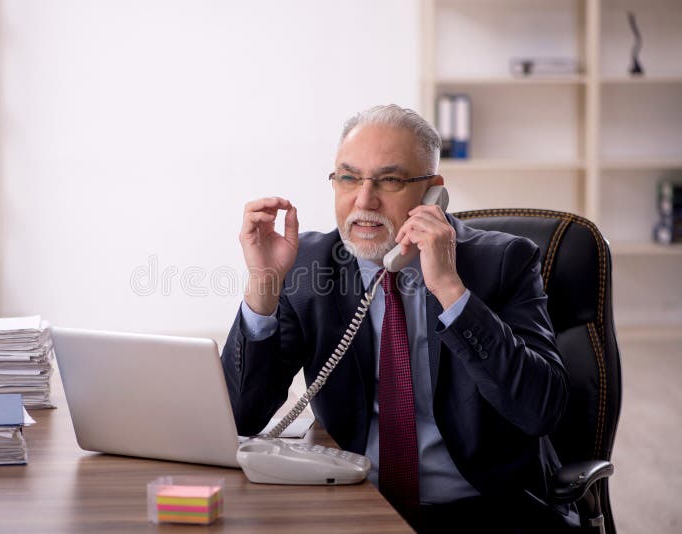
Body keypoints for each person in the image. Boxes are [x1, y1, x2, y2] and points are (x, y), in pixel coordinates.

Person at [220, 104, 573, 533]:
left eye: (389, 180)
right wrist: (263, 286)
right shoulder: (309, 264)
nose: (364, 200)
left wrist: (450, 289)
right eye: (348, 178)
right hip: (356, 504)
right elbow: (241, 417)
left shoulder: (503, 261)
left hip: (485, 507)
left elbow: (540, 409)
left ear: (433, 193)